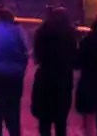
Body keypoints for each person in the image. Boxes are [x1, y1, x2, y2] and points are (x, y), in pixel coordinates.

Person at [32, 8, 76, 136]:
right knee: (61, 121)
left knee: (44, 120)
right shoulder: (70, 33)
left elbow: (37, 56)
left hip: (45, 78)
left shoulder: (42, 32)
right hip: (63, 79)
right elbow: (74, 57)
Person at [0, 8, 29, 136]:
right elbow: (26, 51)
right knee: (14, 111)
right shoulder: (19, 31)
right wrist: (22, 69)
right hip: (15, 76)